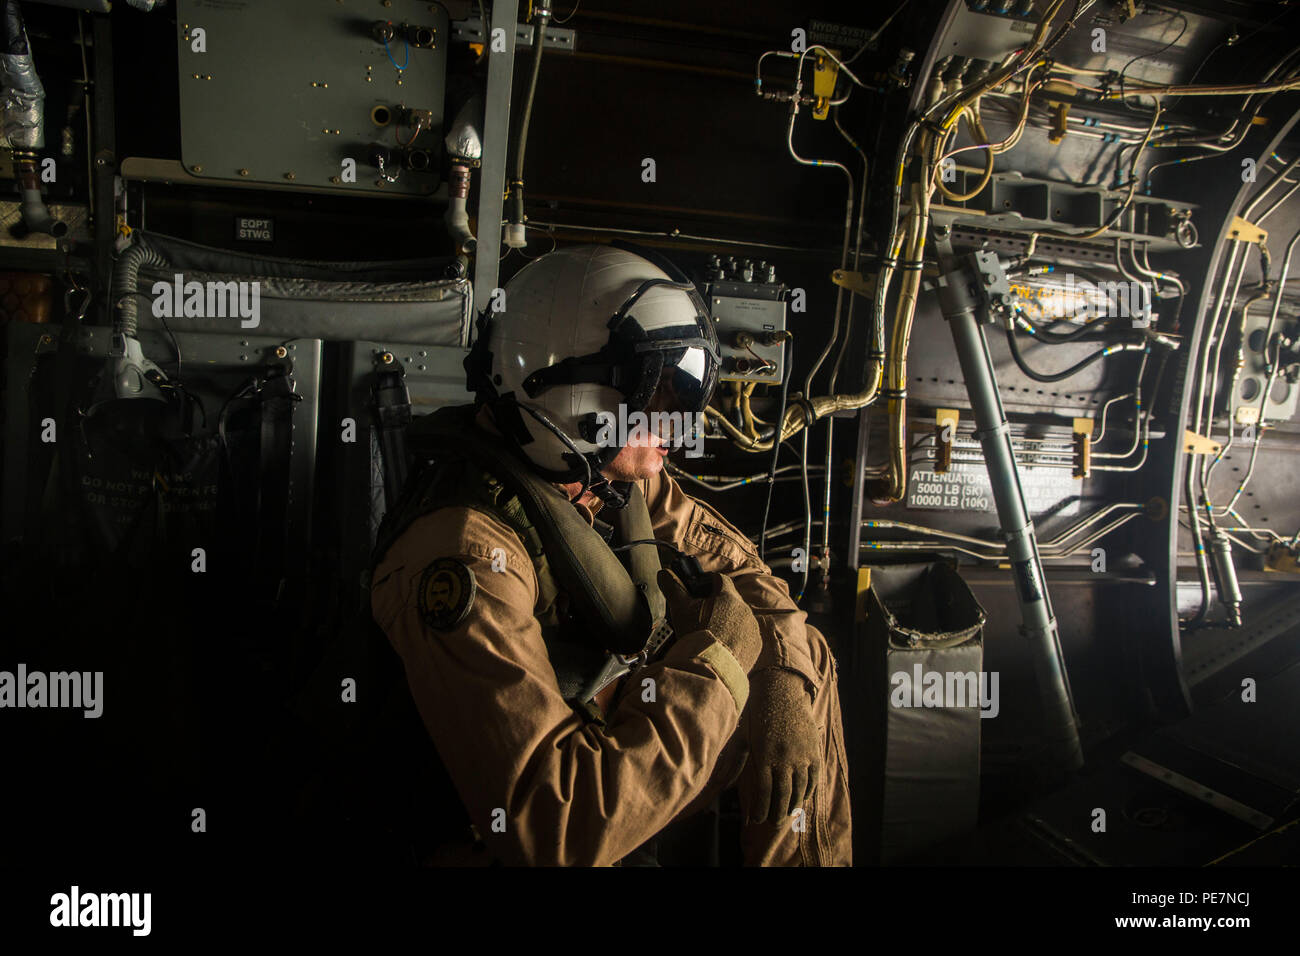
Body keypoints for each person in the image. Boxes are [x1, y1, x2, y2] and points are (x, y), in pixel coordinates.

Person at [369, 244, 850, 865]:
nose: (679, 435)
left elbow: (742, 569)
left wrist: (780, 675)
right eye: (659, 401)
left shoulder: (605, 475)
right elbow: (551, 833)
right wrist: (720, 666)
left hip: (605, 721)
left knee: (803, 659)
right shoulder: (466, 554)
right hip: (510, 830)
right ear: (566, 387)